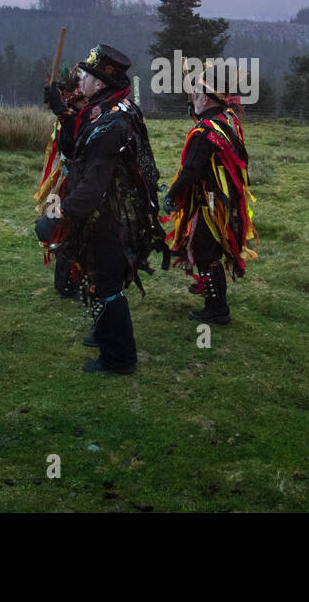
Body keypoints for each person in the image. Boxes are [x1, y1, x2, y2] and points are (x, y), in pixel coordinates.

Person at [44, 44, 164, 375]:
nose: (80, 79)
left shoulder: (112, 122)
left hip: (109, 215)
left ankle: (119, 359)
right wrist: (60, 110)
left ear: (99, 84)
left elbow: (93, 181)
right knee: (103, 279)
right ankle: (108, 344)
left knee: (109, 285)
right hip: (110, 211)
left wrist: (57, 217)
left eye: (86, 75)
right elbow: (77, 150)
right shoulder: (110, 110)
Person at [164, 61, 256, 325]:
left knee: (205, 251)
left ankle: (217, 308)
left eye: (196, 96)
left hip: (212, 203)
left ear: (205, 98)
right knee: (208, 249)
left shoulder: (204, 132)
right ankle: (213, 298)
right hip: (225, 202)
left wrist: (172, 195)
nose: (194, 99)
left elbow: (191, 169)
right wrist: (198, 117)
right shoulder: (228, 120)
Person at [36, 65, 84, 299]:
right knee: (67, 230)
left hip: (79, 180)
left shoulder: (80, 117)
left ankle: (75, 280)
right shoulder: (72, 120)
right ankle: (66, 284)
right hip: (68, 181)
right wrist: (61, 110)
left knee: (77, 230)